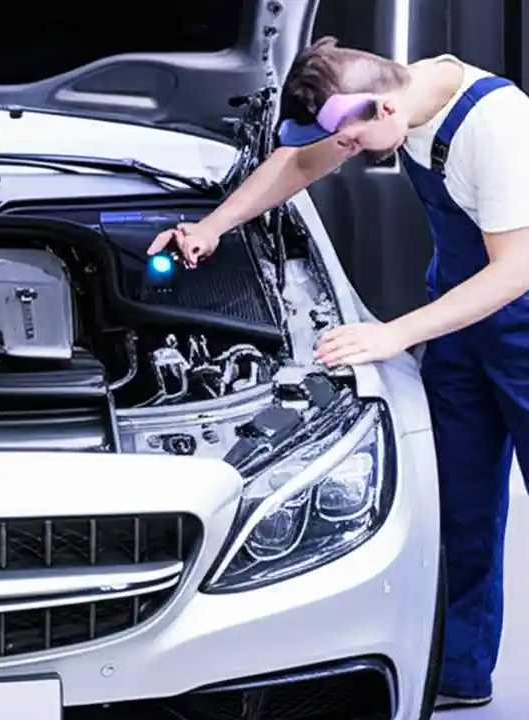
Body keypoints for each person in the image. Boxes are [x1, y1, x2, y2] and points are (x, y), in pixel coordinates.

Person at [148, 37, 529, 711]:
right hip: (460, 324)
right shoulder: (389, 106)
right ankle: (461, 670)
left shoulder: (496, 125)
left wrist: (392, 335)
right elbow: (298, 162)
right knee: (461, 506)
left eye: (351, 140)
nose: (344, 153)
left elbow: (514, 270)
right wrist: (212, 227)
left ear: (383, 107)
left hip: (515, 313)